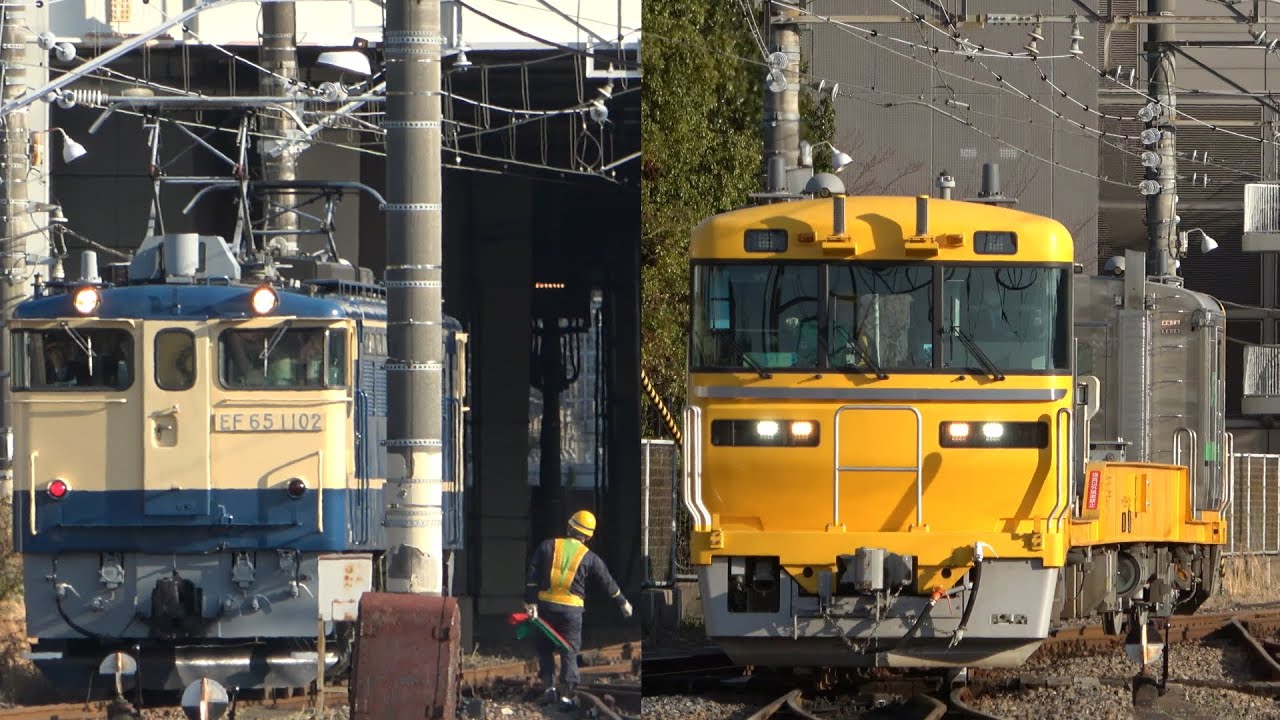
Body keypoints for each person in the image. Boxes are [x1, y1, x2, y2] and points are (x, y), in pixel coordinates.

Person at [523, 510, 632, 711]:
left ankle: (549, 688)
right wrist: (623, 602)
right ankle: (566, 696)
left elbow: (532, 574)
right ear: (588, 536)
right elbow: (607, 581)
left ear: (569, 527)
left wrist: (531, 603)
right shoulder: (590, 558)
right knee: (569, 651)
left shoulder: (547, 546)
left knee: (545, 648)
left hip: (545, 608)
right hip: (571, 612)